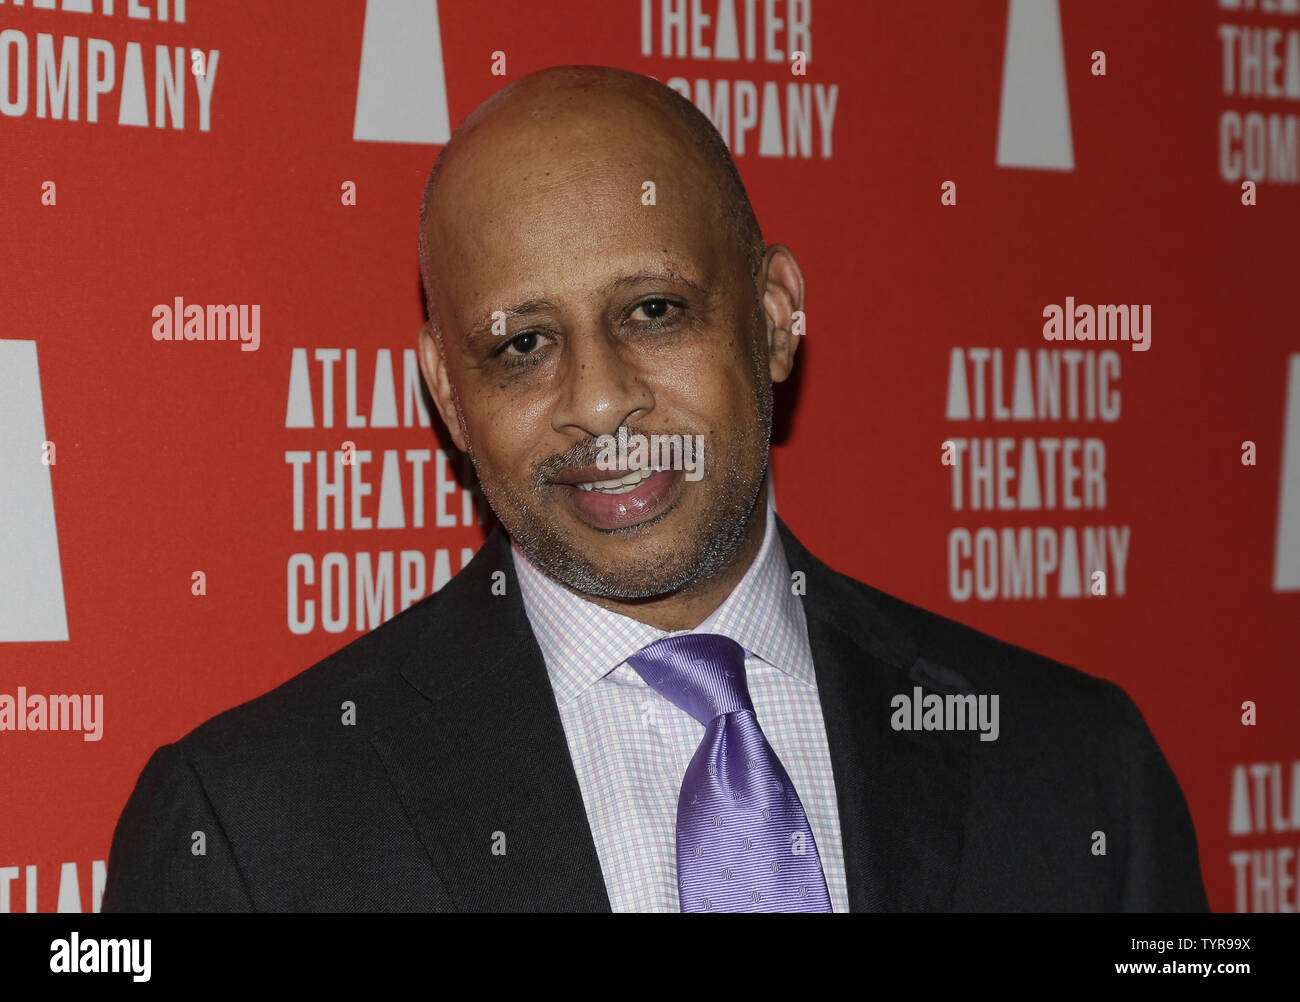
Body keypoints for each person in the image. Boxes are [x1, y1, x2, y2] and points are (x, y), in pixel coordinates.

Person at [103, 64, 1208, 913]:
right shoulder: (246, 830)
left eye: (653, 312)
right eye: (521, 345)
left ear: (774, 313)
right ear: (446, 391)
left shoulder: (1072, 767)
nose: (597, 401)